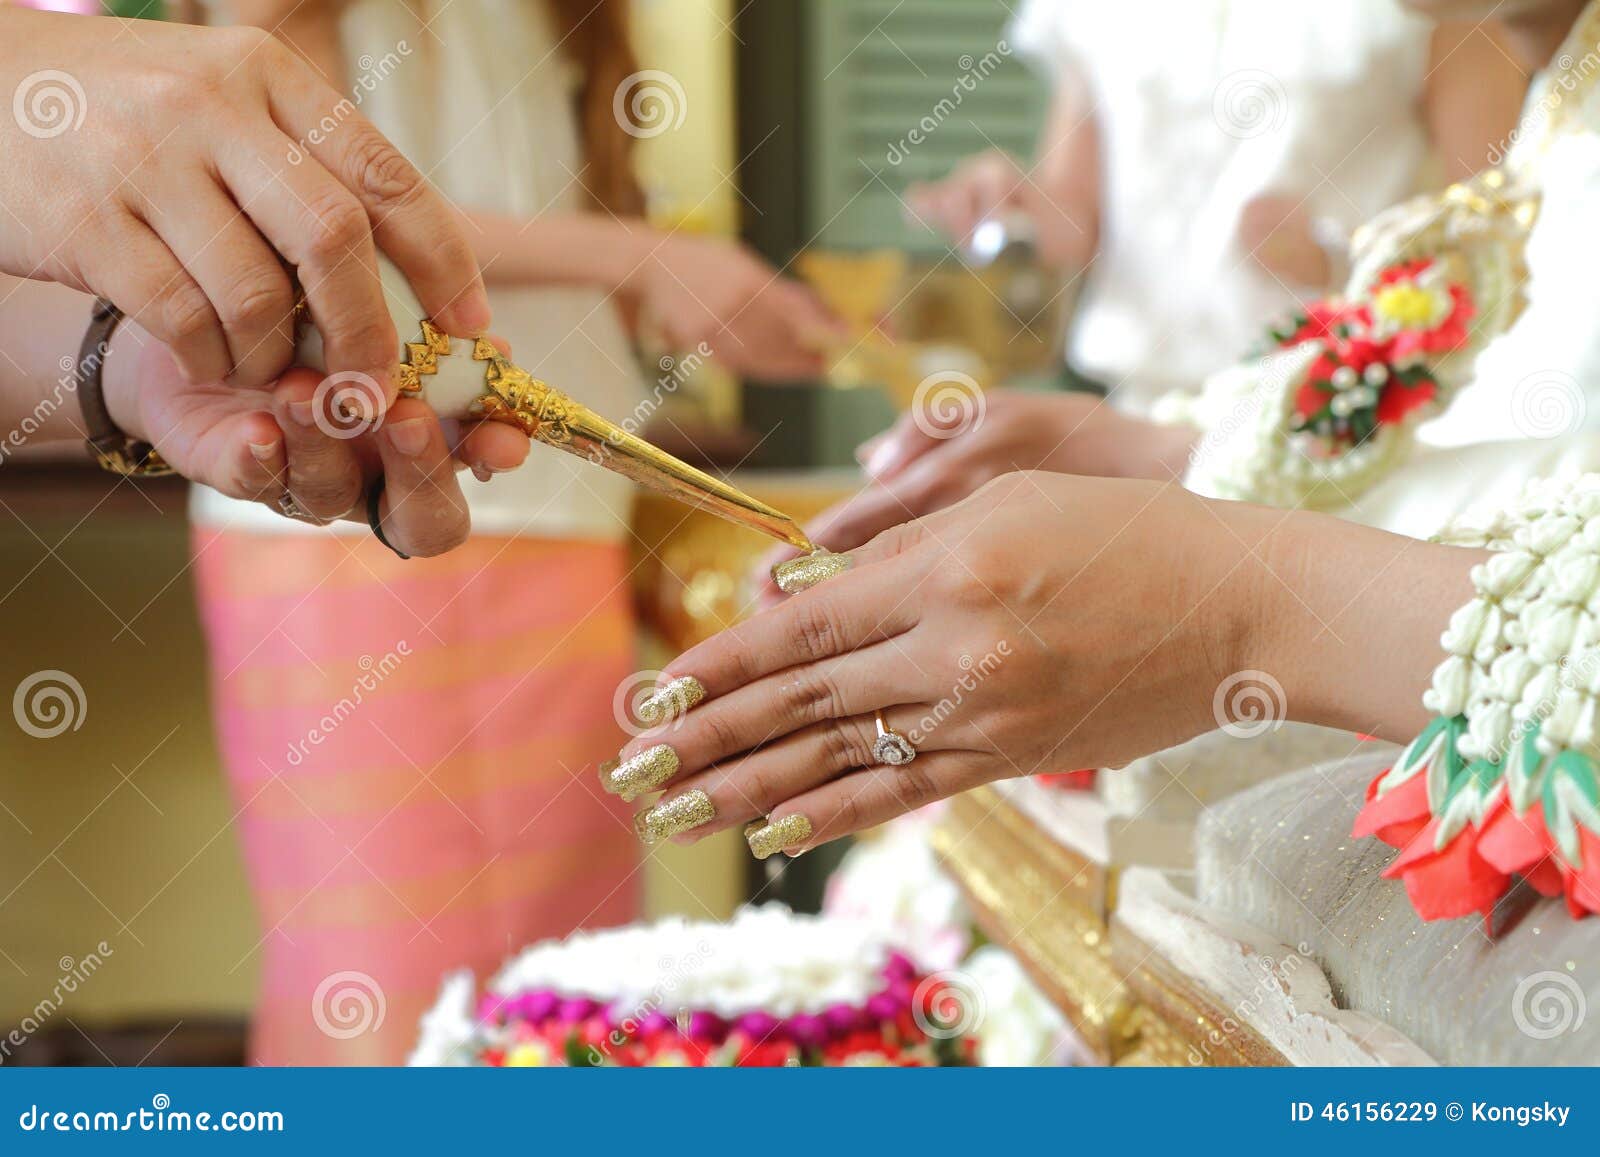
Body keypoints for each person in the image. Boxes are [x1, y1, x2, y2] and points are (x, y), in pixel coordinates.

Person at [184, 0, 839, 1064]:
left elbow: (510, 219)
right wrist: (636, 257)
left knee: (553, 986)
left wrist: (665, 291)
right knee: (396, 1000)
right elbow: (300, 192)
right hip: (351, 517)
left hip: (555, 516)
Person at [907, 0, 1523, 415]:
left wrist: (1340, 260)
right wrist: (1010, 204)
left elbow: (1496, 229)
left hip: (1337, 416)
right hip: (1142, 417)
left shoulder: (1439, 10)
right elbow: (1072, 225)